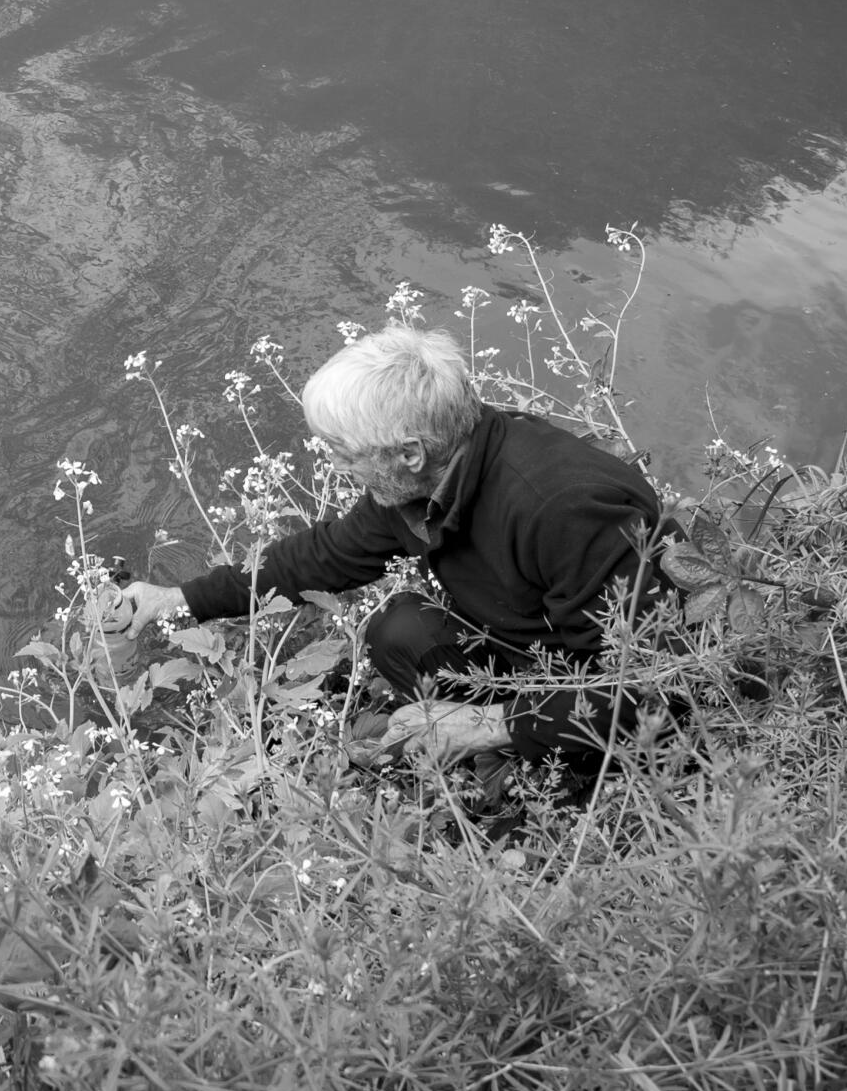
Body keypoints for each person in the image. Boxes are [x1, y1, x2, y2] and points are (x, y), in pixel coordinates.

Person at [119, 324, 675, 776]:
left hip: (605, 685)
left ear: (408, 453)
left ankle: (565, 774)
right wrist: (179, 599)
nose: (336, 466)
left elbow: (651, 682)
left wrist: (488, 724)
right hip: (531, 647)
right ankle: (507, 756)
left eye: (342, 451)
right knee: (401, 632)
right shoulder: (426, 479)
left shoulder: (566, 510)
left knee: (596, 725)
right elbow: (320, 557)